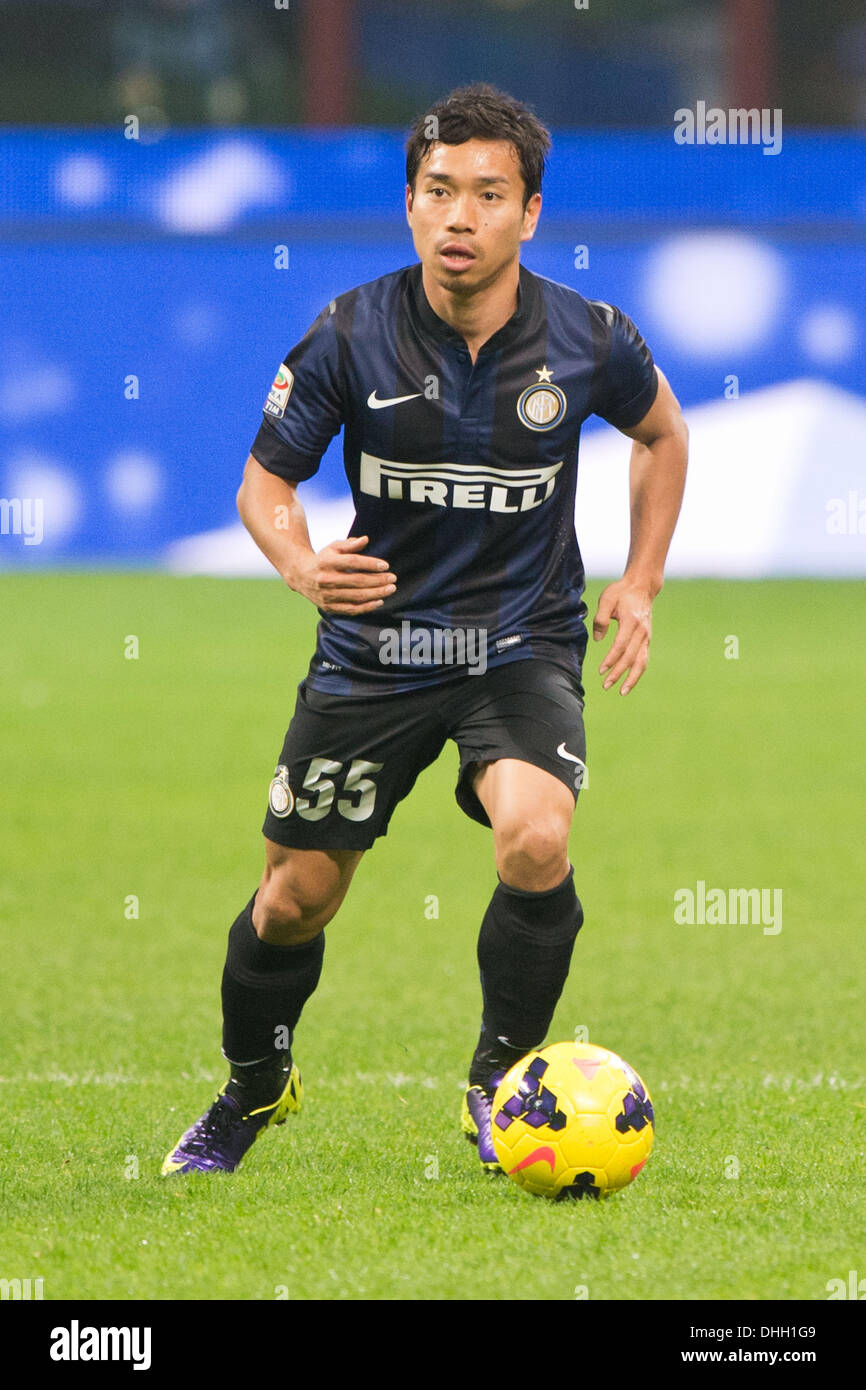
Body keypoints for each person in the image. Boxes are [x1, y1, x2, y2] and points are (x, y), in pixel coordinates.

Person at [162, 84, 688, 1178]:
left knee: (535, 836)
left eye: (487, 195)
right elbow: (266, 481)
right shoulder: (346, 335)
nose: (460, 217)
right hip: (373, 653)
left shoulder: (588, 338)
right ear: (408, 203)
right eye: (438, 191)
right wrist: (302, 562)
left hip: (518, 645)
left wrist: (639, 580)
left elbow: (661, 432)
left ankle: (499, 1084)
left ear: (528, 212)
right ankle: (254, 1088)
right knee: (292, 897)